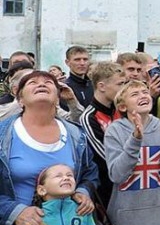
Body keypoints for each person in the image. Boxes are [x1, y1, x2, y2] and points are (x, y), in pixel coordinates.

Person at [0, 70, 98, 225]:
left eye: (48, 82)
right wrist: (14, 211)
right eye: (32, 82)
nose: (41, 84)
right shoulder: (3, 135)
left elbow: (90, 172)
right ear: (20, 100)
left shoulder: (76, 134)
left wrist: (83, 191)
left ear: (58, 97)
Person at [104, 80, 160, 225]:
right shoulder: (114, 131)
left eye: (145, 92)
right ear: (122, 106)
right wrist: (135, 140)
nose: (143, 96)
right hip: (126, 215)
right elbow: (116, 175)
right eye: (135, 94)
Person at [79, 61, 126, 208]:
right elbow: (106, 155)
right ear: (101, 86)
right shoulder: (89, 117)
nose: (124, 89)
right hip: (107, 186)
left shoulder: (122, 111)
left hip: (129, 182)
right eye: (120, 84)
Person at [32, 163, 96, 225]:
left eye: (69, 175)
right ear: (42, 190)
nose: (66, 178)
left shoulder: (83, 209)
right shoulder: (35, 217)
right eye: (58, 176)